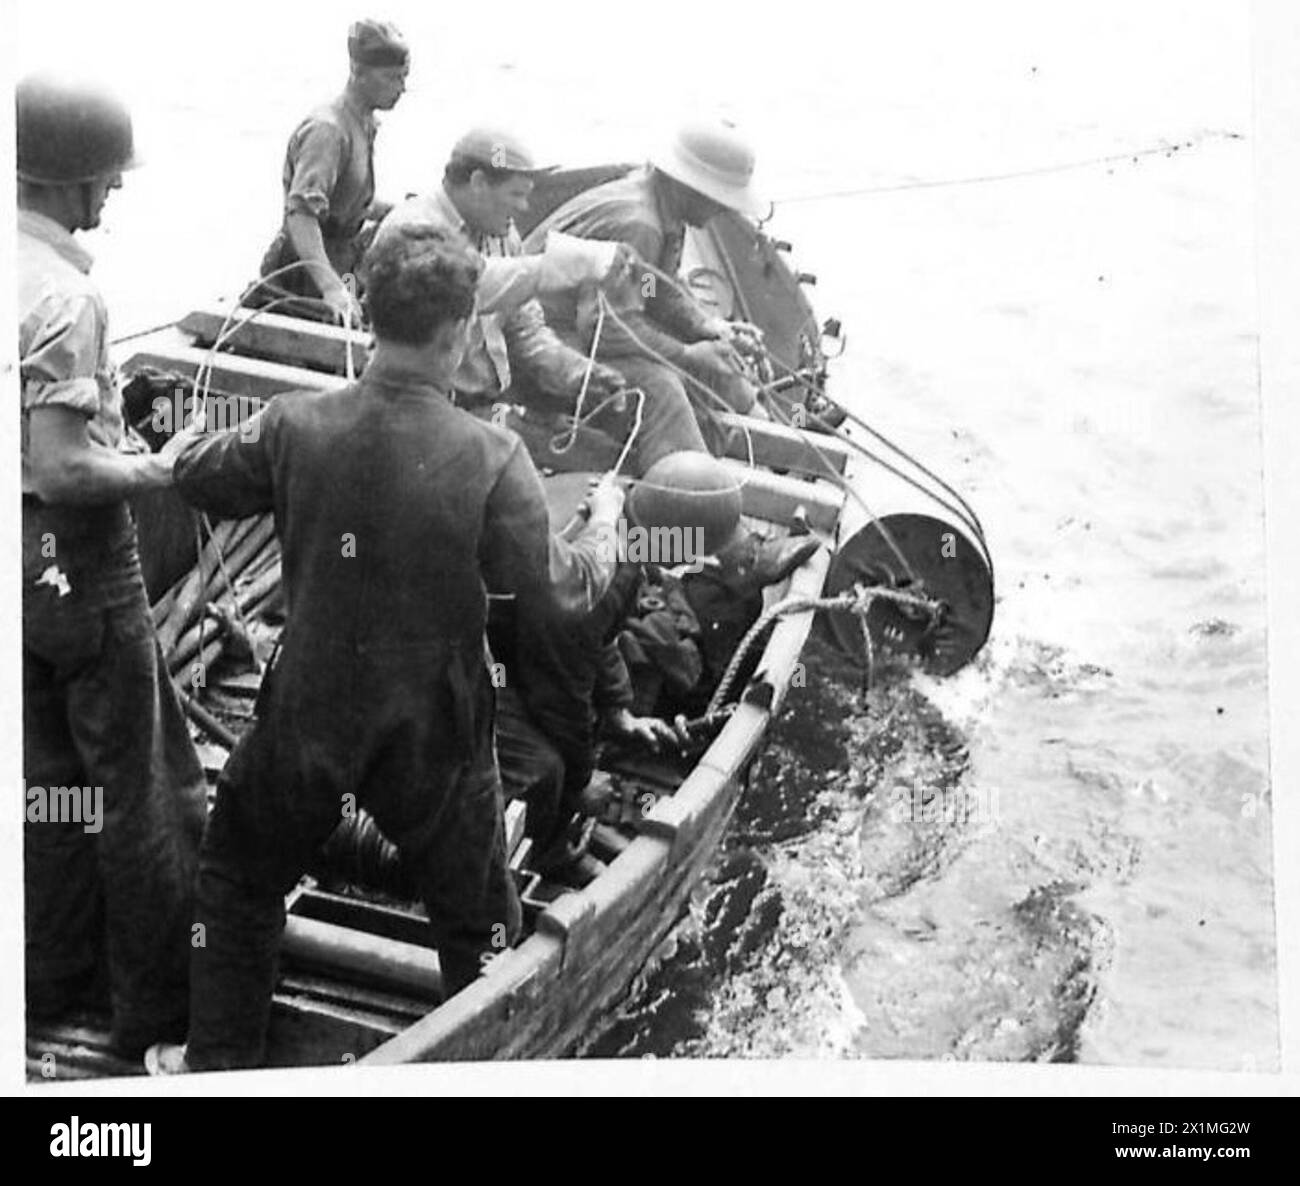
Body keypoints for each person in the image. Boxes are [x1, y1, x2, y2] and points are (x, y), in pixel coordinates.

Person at [145, 222, 623, 1074]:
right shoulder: (492, 454)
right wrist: (611, 525)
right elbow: (561, 594)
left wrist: (177, 439)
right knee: (479, 928)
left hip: (307, 714)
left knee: (239, 878)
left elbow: (200, 473)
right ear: (459, 330)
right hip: (432, 734)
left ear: (371, 318)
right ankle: (485, 1058)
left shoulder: (294, 424)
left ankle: (217, 1062)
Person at [17, 74, 208, 1058]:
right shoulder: (69, 293)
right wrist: (153, 465)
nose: (113, 198)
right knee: (141, 788)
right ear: (76, 179)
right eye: (107, 182)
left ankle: (44, 978)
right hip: (78, 568)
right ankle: (156, 1014)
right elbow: (59, 465)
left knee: (47, 782)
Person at [524, 120, 819, 588]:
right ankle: (735, 551)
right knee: (659, 388)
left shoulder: (659, 208)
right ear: (693, 187)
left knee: (709, 364)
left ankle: (773, 454)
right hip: (541, 341)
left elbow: (655, 288)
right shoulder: (637, 222)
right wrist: (688, 355)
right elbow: (610, 331)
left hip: (580, 325)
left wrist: (710, 327)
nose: (725, 209)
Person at [371, 128, 630, 441]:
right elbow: (469, 285)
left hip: (489, 406)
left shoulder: (503, 236)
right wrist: (560, 264)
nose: (523, 207)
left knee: (605, 450)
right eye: (516, 195)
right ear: (479, 183)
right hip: (422, 410)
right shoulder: (412, 229)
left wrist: (578, 374)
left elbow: (525, 330)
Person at [254, 19, 410, 323]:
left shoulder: (363, 123)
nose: (401, 88)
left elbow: (345, 200)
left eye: (404, 77)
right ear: (358, 72)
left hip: (343, 262)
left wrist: (398, 212)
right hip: (302, 273)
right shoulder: (328, 131)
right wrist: (331, 287)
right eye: (392, 77)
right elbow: (302, 213)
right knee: (327, 338)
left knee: (353, 320)